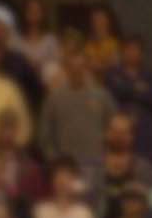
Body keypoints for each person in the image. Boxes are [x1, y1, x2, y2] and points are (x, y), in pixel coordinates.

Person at [38, 48, 116, 178]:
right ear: (66, 69)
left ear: (87, 68)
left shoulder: (102, 96)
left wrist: (109, 156)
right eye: (73, 67)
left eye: (81, 67)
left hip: (96, 165)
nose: (77, 71)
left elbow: (113, 128)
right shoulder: (54, 98)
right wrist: (55, 160)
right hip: (66, 167)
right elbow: (44, 135)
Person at [105, 34, 152, 164]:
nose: (132, 53)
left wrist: (127, 88)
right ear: (123, 51)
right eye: (129, 49)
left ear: (141, 53)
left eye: (136, 49)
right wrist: (137, 88)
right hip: (120, 131)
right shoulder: (113, 73)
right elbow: (115, 92)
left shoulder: (150, 75)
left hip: (145, 131)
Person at [14, 0, 62, 92]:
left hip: (45, 86)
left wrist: (41, 67)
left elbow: (57, 65)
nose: (34, 13)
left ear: (43, 14)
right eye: (30, 10)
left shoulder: (51, 40)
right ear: (25, 12)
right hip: (21, 85)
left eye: (37, 10)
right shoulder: (16, 39)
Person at [82, 5, 122, 76]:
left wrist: (99, 66)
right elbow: (85, 63)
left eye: (101, 19)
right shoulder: (87, 43)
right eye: (95, 19)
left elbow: (115, 64)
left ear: (108, 21)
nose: (98, 22)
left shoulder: (115, 43)